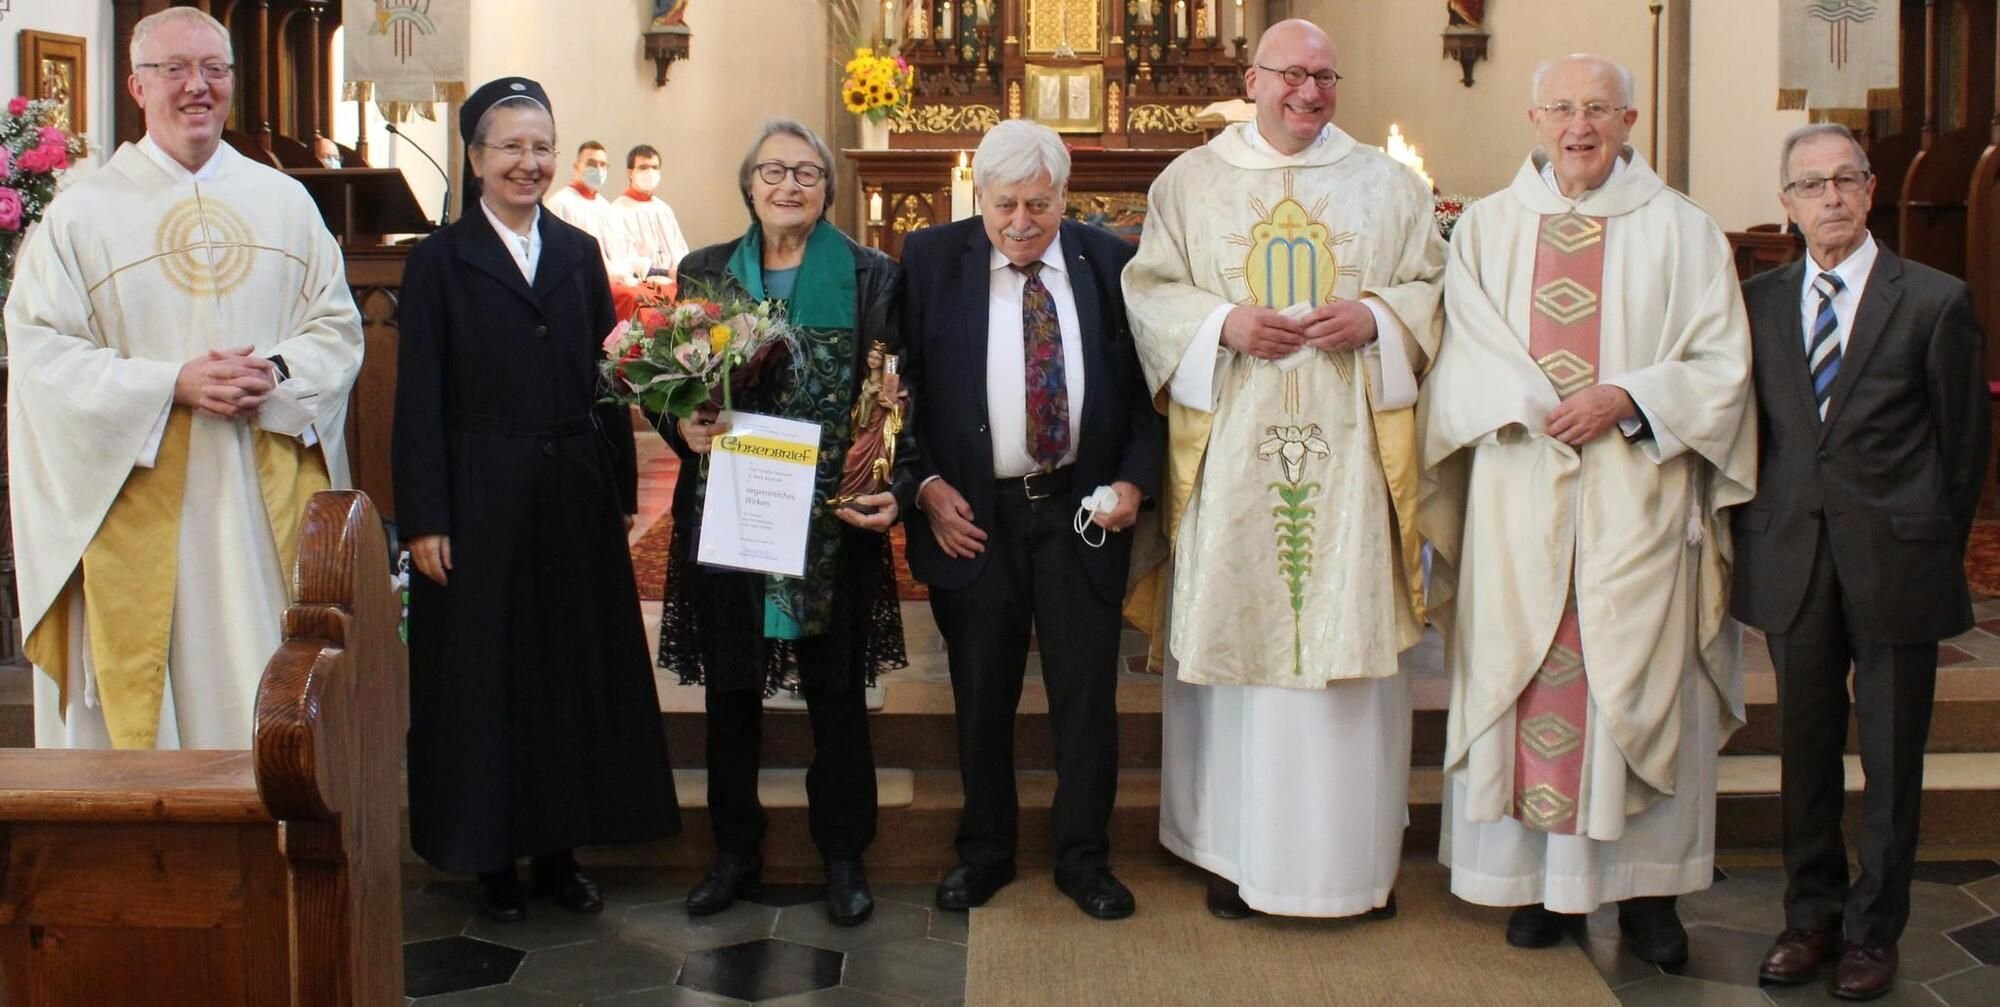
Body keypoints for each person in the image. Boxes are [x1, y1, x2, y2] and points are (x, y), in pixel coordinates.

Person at [1418, 53, 1756, 965]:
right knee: (1526, 671)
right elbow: (1463, 349)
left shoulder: (1684, 231)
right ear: (1534, 119)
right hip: (1520, 488)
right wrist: (1531, 406)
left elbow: (1722, 364)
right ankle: (1540, 888)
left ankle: (1649, 895)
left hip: (1638, 493)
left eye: (1599, 109)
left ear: (1629, 121)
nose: (1580, 126)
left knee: (1638, 680)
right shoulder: (1486, 228)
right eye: (1562, 108)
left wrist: (1626, 399)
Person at [1122, 18, 1443, 920]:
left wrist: (1376, 318)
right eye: (1293, 74)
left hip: (1352, 470)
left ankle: (1354, 866)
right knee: (1245, 647)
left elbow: (1434, 285)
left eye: (1326, 77)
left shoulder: (1387, 185)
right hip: (1232, 459)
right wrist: (1221, 323)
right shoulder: (1190, 182)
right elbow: (1149, 290)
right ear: (1252, 80)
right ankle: (1237, 855)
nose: (1310, 92)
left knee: (1350, 654)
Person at [7, 6, 363, 751]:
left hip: (263, 504)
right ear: (137, 86)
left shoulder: (284, 202)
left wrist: (275, 372)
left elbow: (336, 328)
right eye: (174, 69)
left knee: (270, 691)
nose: (197, 86)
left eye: (214, 69)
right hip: (137, 499)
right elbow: (42, 357)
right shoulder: (82, 215)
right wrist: (171, 383)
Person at [392, 76, 679, 924]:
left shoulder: (578, 251)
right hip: (479, 493)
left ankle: (560, 851)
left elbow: (605, 379)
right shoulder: (439, 260)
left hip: (571, 493)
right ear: (477, 157)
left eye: (542, 146)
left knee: (566, 671)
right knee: (486, 676)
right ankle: (490, 857)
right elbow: (418, 399)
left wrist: (620, 491)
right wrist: (426, 517)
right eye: (512, 146)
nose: (530, 162)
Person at [1733, 123, 1990, 1000]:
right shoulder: (1758, 302)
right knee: (1804, 751)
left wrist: (1926, 539)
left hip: (1898, 562)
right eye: (1811, 185)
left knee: (1892, 756)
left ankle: (1873, 931)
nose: (1831, 198)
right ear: (1787, 202)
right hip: (1794, 559)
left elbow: (1964, 447)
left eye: (1846, 180)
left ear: (1872, 190)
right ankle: (1810, 917)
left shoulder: (1935, 301)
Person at [899, 120, 1163, 920]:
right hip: (974, 516)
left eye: (1039, 205)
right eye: (1005, 203)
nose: (1021, 222)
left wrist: (1133, 482)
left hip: (1081, 514)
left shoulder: (1110, 261)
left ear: (1064, 197)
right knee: (983, 694)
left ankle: (1084, 857)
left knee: (1086, 696)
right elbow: (897, 391)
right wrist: (924, 486)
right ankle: (984, 852)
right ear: (978, 196)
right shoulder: (930, 261)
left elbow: (1147, 395)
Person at [657, 119, 913, 927]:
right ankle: (734, 850)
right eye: (773, 171)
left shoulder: (872, 275)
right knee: (732, 689)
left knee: (836, 692)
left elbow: (895, 389)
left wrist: (881, 472)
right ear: (749, 185)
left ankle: (844, 854)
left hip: (830, 516)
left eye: (806, 172)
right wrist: (682, 424)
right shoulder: (705, 271)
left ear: (828, 190)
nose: (789, 185)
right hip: (733, 508)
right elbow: (669, 384)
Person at [546, 139, 658, 317]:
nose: (598, 169)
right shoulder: (560, 204)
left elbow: (625, 253)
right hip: (586, 285)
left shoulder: (605, 207)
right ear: (576, 167)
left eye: (602, 165)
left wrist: (644, 273)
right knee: (632, 298)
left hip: (619, 280)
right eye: (591, 164)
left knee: (655, 295)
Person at [614, 143, 690, 286]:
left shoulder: (664, 209)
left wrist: (681, 272)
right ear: (630, 173)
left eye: (654, 167)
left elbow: (681, 250)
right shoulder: (618, 211)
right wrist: (665, 273)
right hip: (643, 286)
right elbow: (625, 260)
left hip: (675, 283)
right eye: (643, 167)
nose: (650, 172)